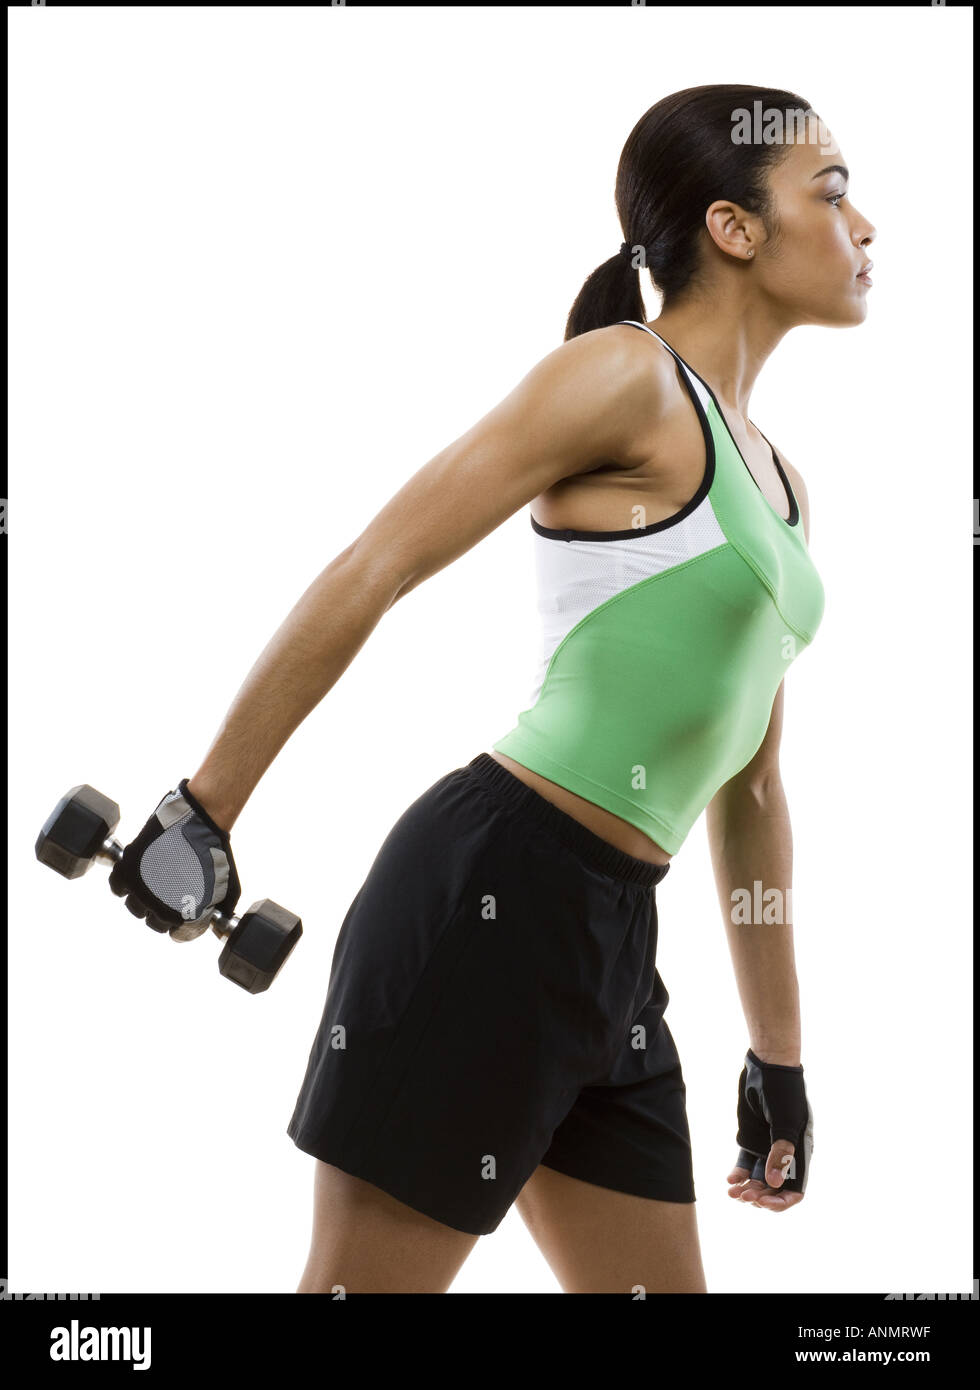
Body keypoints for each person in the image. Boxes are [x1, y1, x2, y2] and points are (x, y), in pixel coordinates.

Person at [108, 84, 875, 1293]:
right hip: (496, 892)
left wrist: (776, 1058)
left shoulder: (778, 484)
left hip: (614, 937)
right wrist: (203, 809)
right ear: (732, 229)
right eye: (830, 194)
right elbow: (379, 562)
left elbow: (752, 789)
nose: (864, 226)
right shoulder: (623, 377)